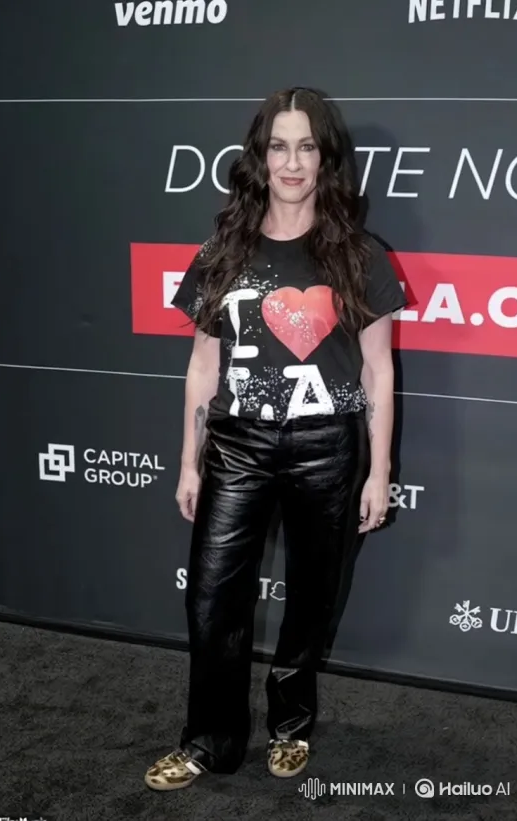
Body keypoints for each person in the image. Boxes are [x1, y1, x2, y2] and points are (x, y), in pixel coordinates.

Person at [144, 87, 407, 791]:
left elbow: (380, 370)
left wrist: (380, 470)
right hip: (236, 448)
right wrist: (187, 461)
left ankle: (291, 723)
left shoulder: (359, 254)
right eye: (279, 145)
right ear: (260, 156)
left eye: (307, 145)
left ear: (326, 158)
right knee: (210, 598)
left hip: (329, 448)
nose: (292, 161)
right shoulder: (222, 249)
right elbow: (203, 364)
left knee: (313, 600)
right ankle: (210, 741)